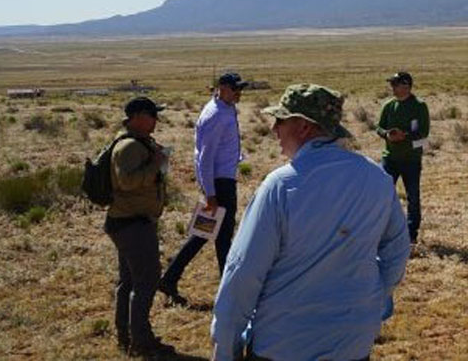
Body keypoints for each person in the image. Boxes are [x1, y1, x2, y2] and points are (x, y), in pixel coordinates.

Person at [212, 83, 410, 361]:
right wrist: (373, 301)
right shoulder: (376, 177)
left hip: (283, 345)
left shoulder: (280, 187)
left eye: (280, 120)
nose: (273, 129)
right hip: (352, 344)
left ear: (304, 127)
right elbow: (398, 250)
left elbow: (242, 276)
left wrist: (225, 350)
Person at [159, 71, 249, 305]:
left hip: (221, 180)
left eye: (241, 89)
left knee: (207, 234)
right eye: (235, 88)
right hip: (220, 184)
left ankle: (171, 278)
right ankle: (228, 290)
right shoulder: (216, 115)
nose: (239, 93)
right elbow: (205, 158)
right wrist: (210, 193)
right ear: (222, 87)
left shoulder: (224, 108)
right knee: (220, 236)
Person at [106, 96, 175, 359]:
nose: (156, 119)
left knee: (130, 280)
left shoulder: (136, 143)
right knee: (146, 280)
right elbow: (126, 182)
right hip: (132, 224)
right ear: (136, 117)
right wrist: (155, 163)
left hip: (128, 222)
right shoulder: (129, 148)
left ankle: (126, 334)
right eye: (152, 115)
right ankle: (142, 341)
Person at [375, 71, 430, 244]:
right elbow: (379, 127)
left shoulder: (419, 106)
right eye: (391, 84)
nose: (392, 88)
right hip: (390, 158)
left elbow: (424, 134)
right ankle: (382, 232)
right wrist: (387, 135)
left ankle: (411, 234)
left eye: (395, 84)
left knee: (413, 197)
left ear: (406, 86)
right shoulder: (389, 106)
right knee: (383, 196)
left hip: (411, 160)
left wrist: (404, 136)